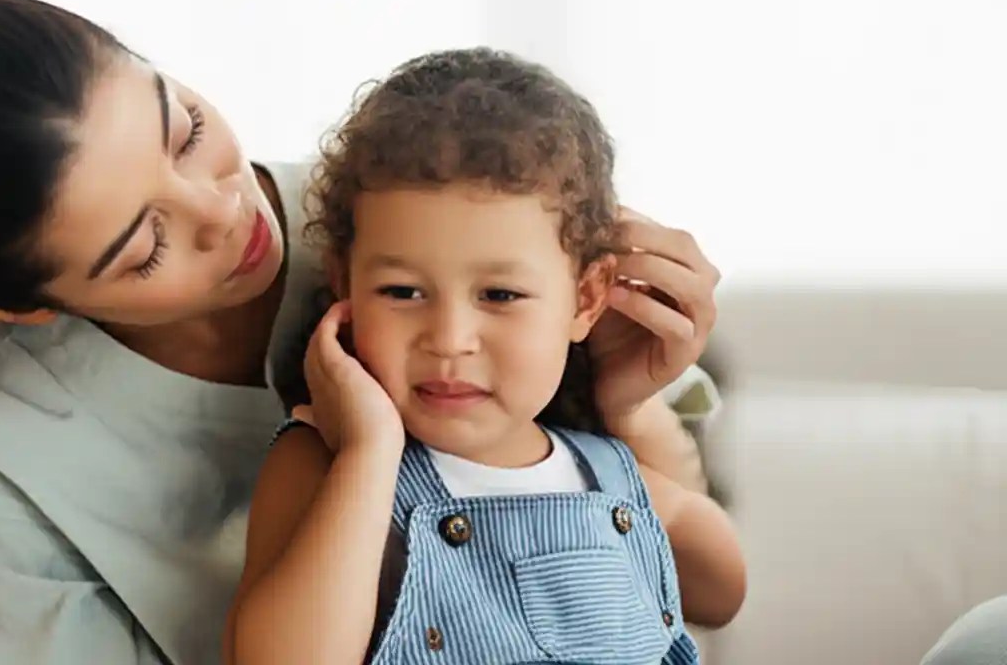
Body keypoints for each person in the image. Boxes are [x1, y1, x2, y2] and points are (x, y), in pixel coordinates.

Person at [0, 0, 725, 665]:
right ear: (17, 307)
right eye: (143, 245)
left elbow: (675, 552)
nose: (223, 212)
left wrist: (632, 399)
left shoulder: (408, 214)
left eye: (185, 129)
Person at [227, 48, 745, 665]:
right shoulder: (326, 460)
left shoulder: (598, 473)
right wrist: (370, 454)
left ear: (586, 299)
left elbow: (720, 593)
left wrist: (627, 412)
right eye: (402, 292)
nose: (449, 338)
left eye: (500, 295)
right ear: (346, 286)